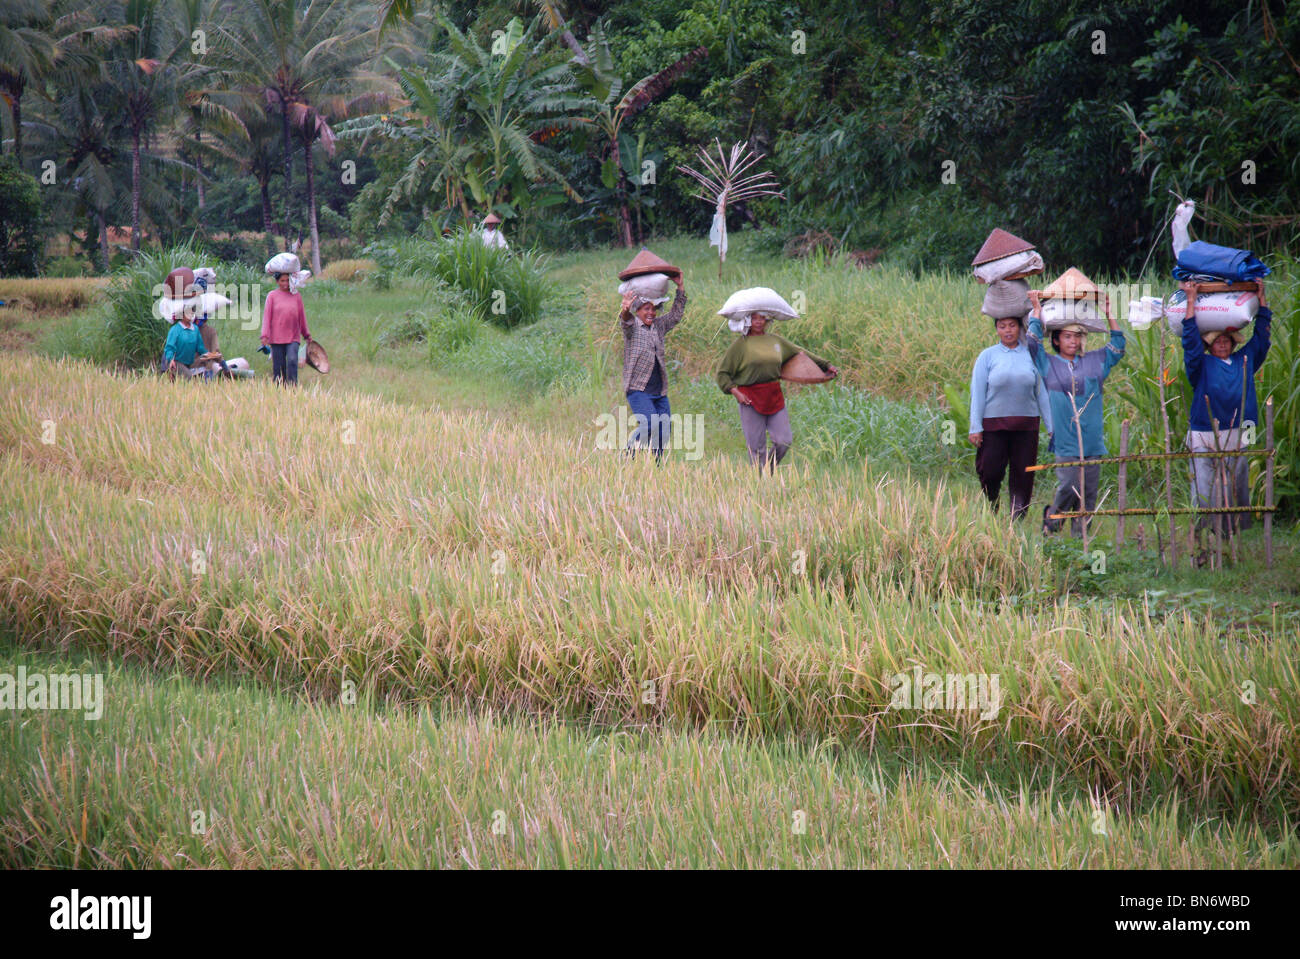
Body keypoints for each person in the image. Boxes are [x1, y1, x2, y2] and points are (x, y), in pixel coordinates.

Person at [1026, 291, 1125, 536]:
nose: (1073, 341)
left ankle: (1081, 541)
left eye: (1078, 336)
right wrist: (1037, 310)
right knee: (1069, 485)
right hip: (1065, 440)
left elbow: (1118, 346)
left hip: (1092, 441)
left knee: (1088, 494)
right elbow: (1032, 343)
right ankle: (1052, 523)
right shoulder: (1048, 364)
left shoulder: (1096, 361)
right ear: (1057, 340)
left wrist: (1109, 312)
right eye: (1067, 337)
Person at [1182, 278, 1272, 536]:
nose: (1222, 343)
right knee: (1204, 489)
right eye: (1216, 340)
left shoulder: (1245, 359)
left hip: (1240, 431)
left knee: (1236, 486)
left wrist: (1262, 297)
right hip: (1204, 433)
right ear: (1209, 344)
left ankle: (1234, 533)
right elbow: (1189, 341)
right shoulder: (1201, 365)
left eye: (1226, 339)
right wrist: (1191, 300)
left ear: (1233, 342)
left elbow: (1262, 336)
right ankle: (1204, 533)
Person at [715, 312, 837, 469]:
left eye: (762, 318)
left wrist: (825, 365)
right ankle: (759, 483)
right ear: (747, 321)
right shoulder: (740, 345)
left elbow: (800, 353)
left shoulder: (775, 341)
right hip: (749, 396)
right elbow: (722, 372)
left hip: (773, 394)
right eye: (754, 318)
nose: (758, 322)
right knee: (756, 447)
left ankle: (767, 470)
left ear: (767, 320)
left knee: (784, 440)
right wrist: (735, 392)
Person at [968, 309, 1052, 520]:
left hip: (1026, 426)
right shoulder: (987, 356)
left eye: (1012, 325)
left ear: (1020, 328)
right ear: (996, 329)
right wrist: (975, 427)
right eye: (1002, 326)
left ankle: (1018, 519)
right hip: (993, 426)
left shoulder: (1031, 356)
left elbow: (1042, 394)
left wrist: (1052, 428)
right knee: (990, 471)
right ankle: (992, 505)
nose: (1007, 330)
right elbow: (977, 392)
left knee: (1024, 474)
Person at [620, 274, 686, 459]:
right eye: (646, 309)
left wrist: (680, 287)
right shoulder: (632, 328)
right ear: (637, 310)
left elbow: (675, 315)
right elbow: (625, 321)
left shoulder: (658, 326)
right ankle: (628, 454)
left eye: (653, 309)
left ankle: (657, 467)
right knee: (649, 424)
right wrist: (625, 310)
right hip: (638, 389)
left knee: (664, 429)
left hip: (659, 391)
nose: (651, 313)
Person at [261, 271, 312, 385]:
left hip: (293, 336)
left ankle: (293, 387)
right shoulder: (272, 296)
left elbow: (302, 317)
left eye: (287, 280)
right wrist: (265, 335)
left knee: (293, 360)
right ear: (277, 281)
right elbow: (267, 317)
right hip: (276, 338)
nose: (285, 284)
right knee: (279, 366)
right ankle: (279, 389)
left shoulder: (296, 296)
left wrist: (307, 335)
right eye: (282, 281)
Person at [161, 302, 207, 380]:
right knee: (189, 378)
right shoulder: (175, 329)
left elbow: (200, 347)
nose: (190, 313)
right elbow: (169, 347)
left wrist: (209, 354)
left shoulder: (195, 329)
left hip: (188, 363)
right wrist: (170, 359)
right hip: (176, 362)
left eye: (192, 311)